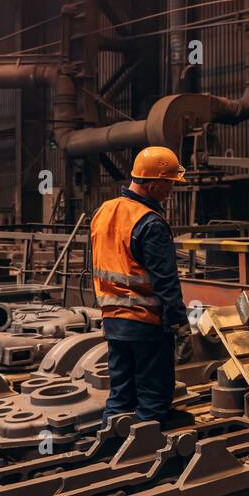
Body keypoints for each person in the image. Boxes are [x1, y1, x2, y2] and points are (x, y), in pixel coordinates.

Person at [89, 145, 191, 426]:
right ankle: (143, 451)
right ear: (154, 182)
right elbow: (166, 281)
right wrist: (179, 324)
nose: (170, 190)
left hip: (113, 320)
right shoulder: (149, 222)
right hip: (146, 322)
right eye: (169, 183)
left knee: (121, 391)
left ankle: (110, 441)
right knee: (154, 395)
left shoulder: (104, 211)